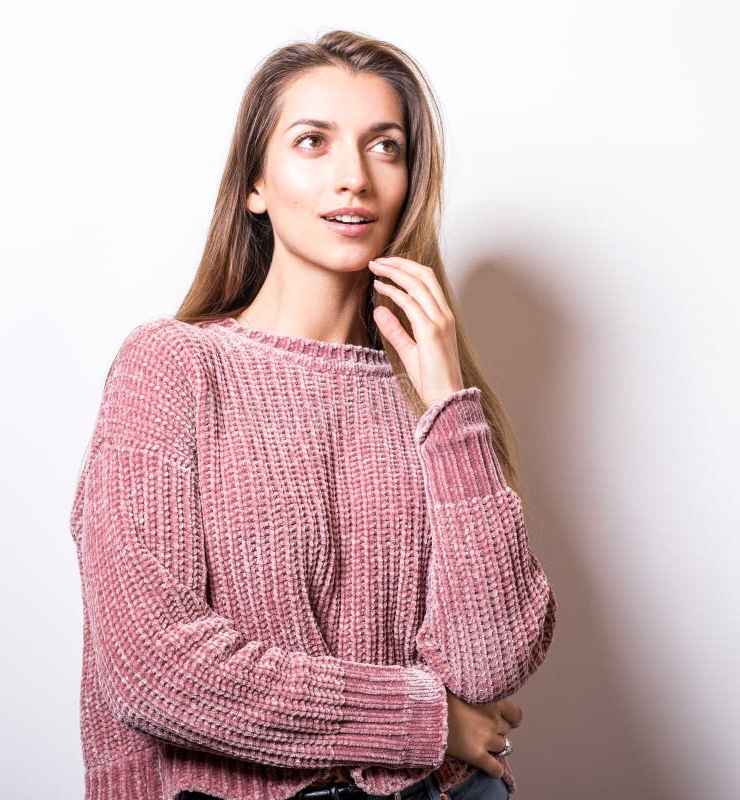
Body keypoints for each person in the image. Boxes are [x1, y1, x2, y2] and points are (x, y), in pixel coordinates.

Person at [68, 29, 557, 800]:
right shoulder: (174, 366)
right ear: (255, 185)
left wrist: (447, 402)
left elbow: (490, 664)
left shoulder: (435, 402)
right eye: (313, 142)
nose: (352, 177)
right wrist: (428, 722)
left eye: (384, 147)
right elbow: (154, 667)